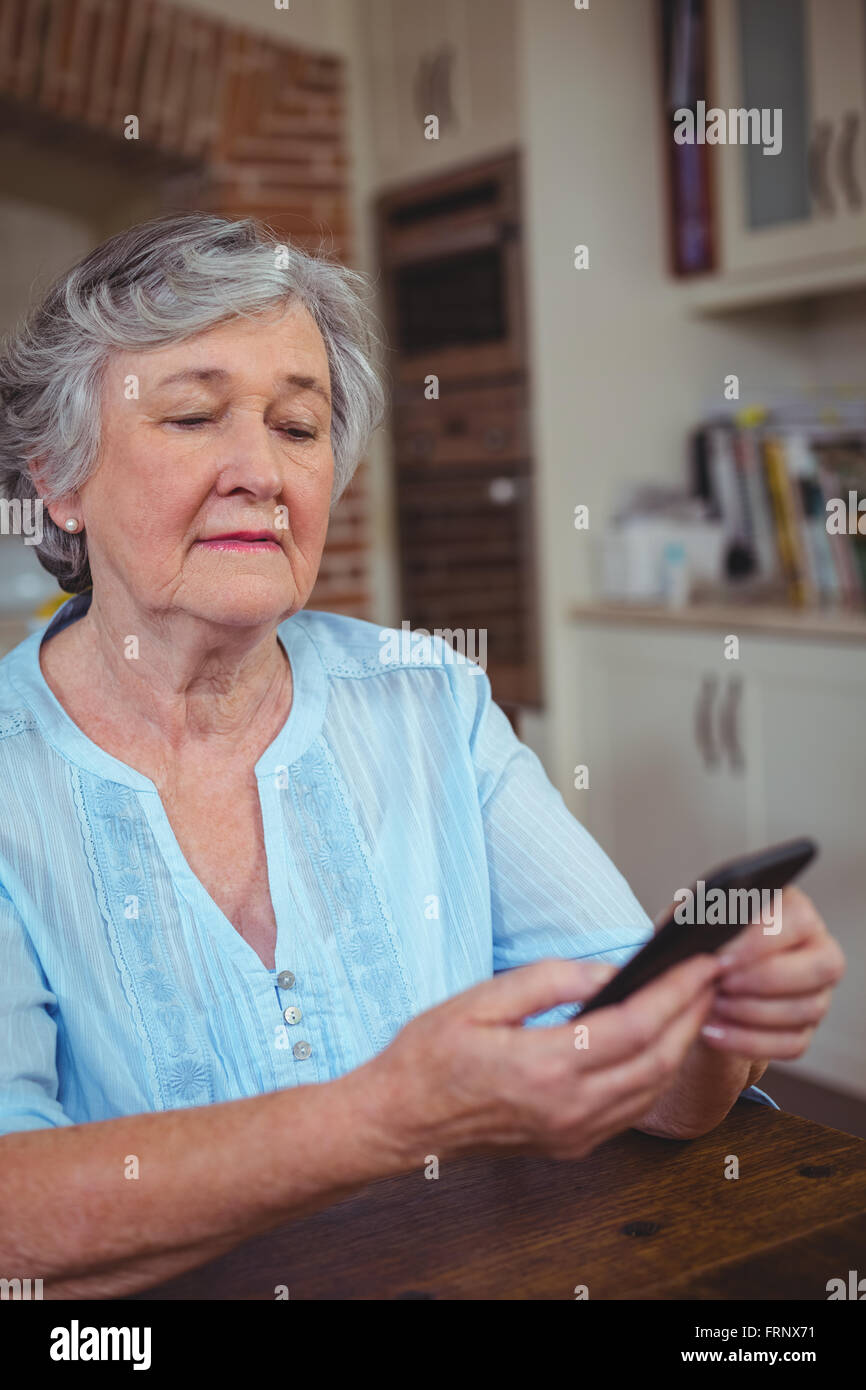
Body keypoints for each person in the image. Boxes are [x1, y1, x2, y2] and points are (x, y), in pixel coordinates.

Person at [0, 214, 845, 1297]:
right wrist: (384, 1118)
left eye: (297, 427)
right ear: (59, 481)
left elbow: (647, 1083)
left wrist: (715, 1013)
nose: (258, 469)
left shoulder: (427, 700)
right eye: (193, 414)